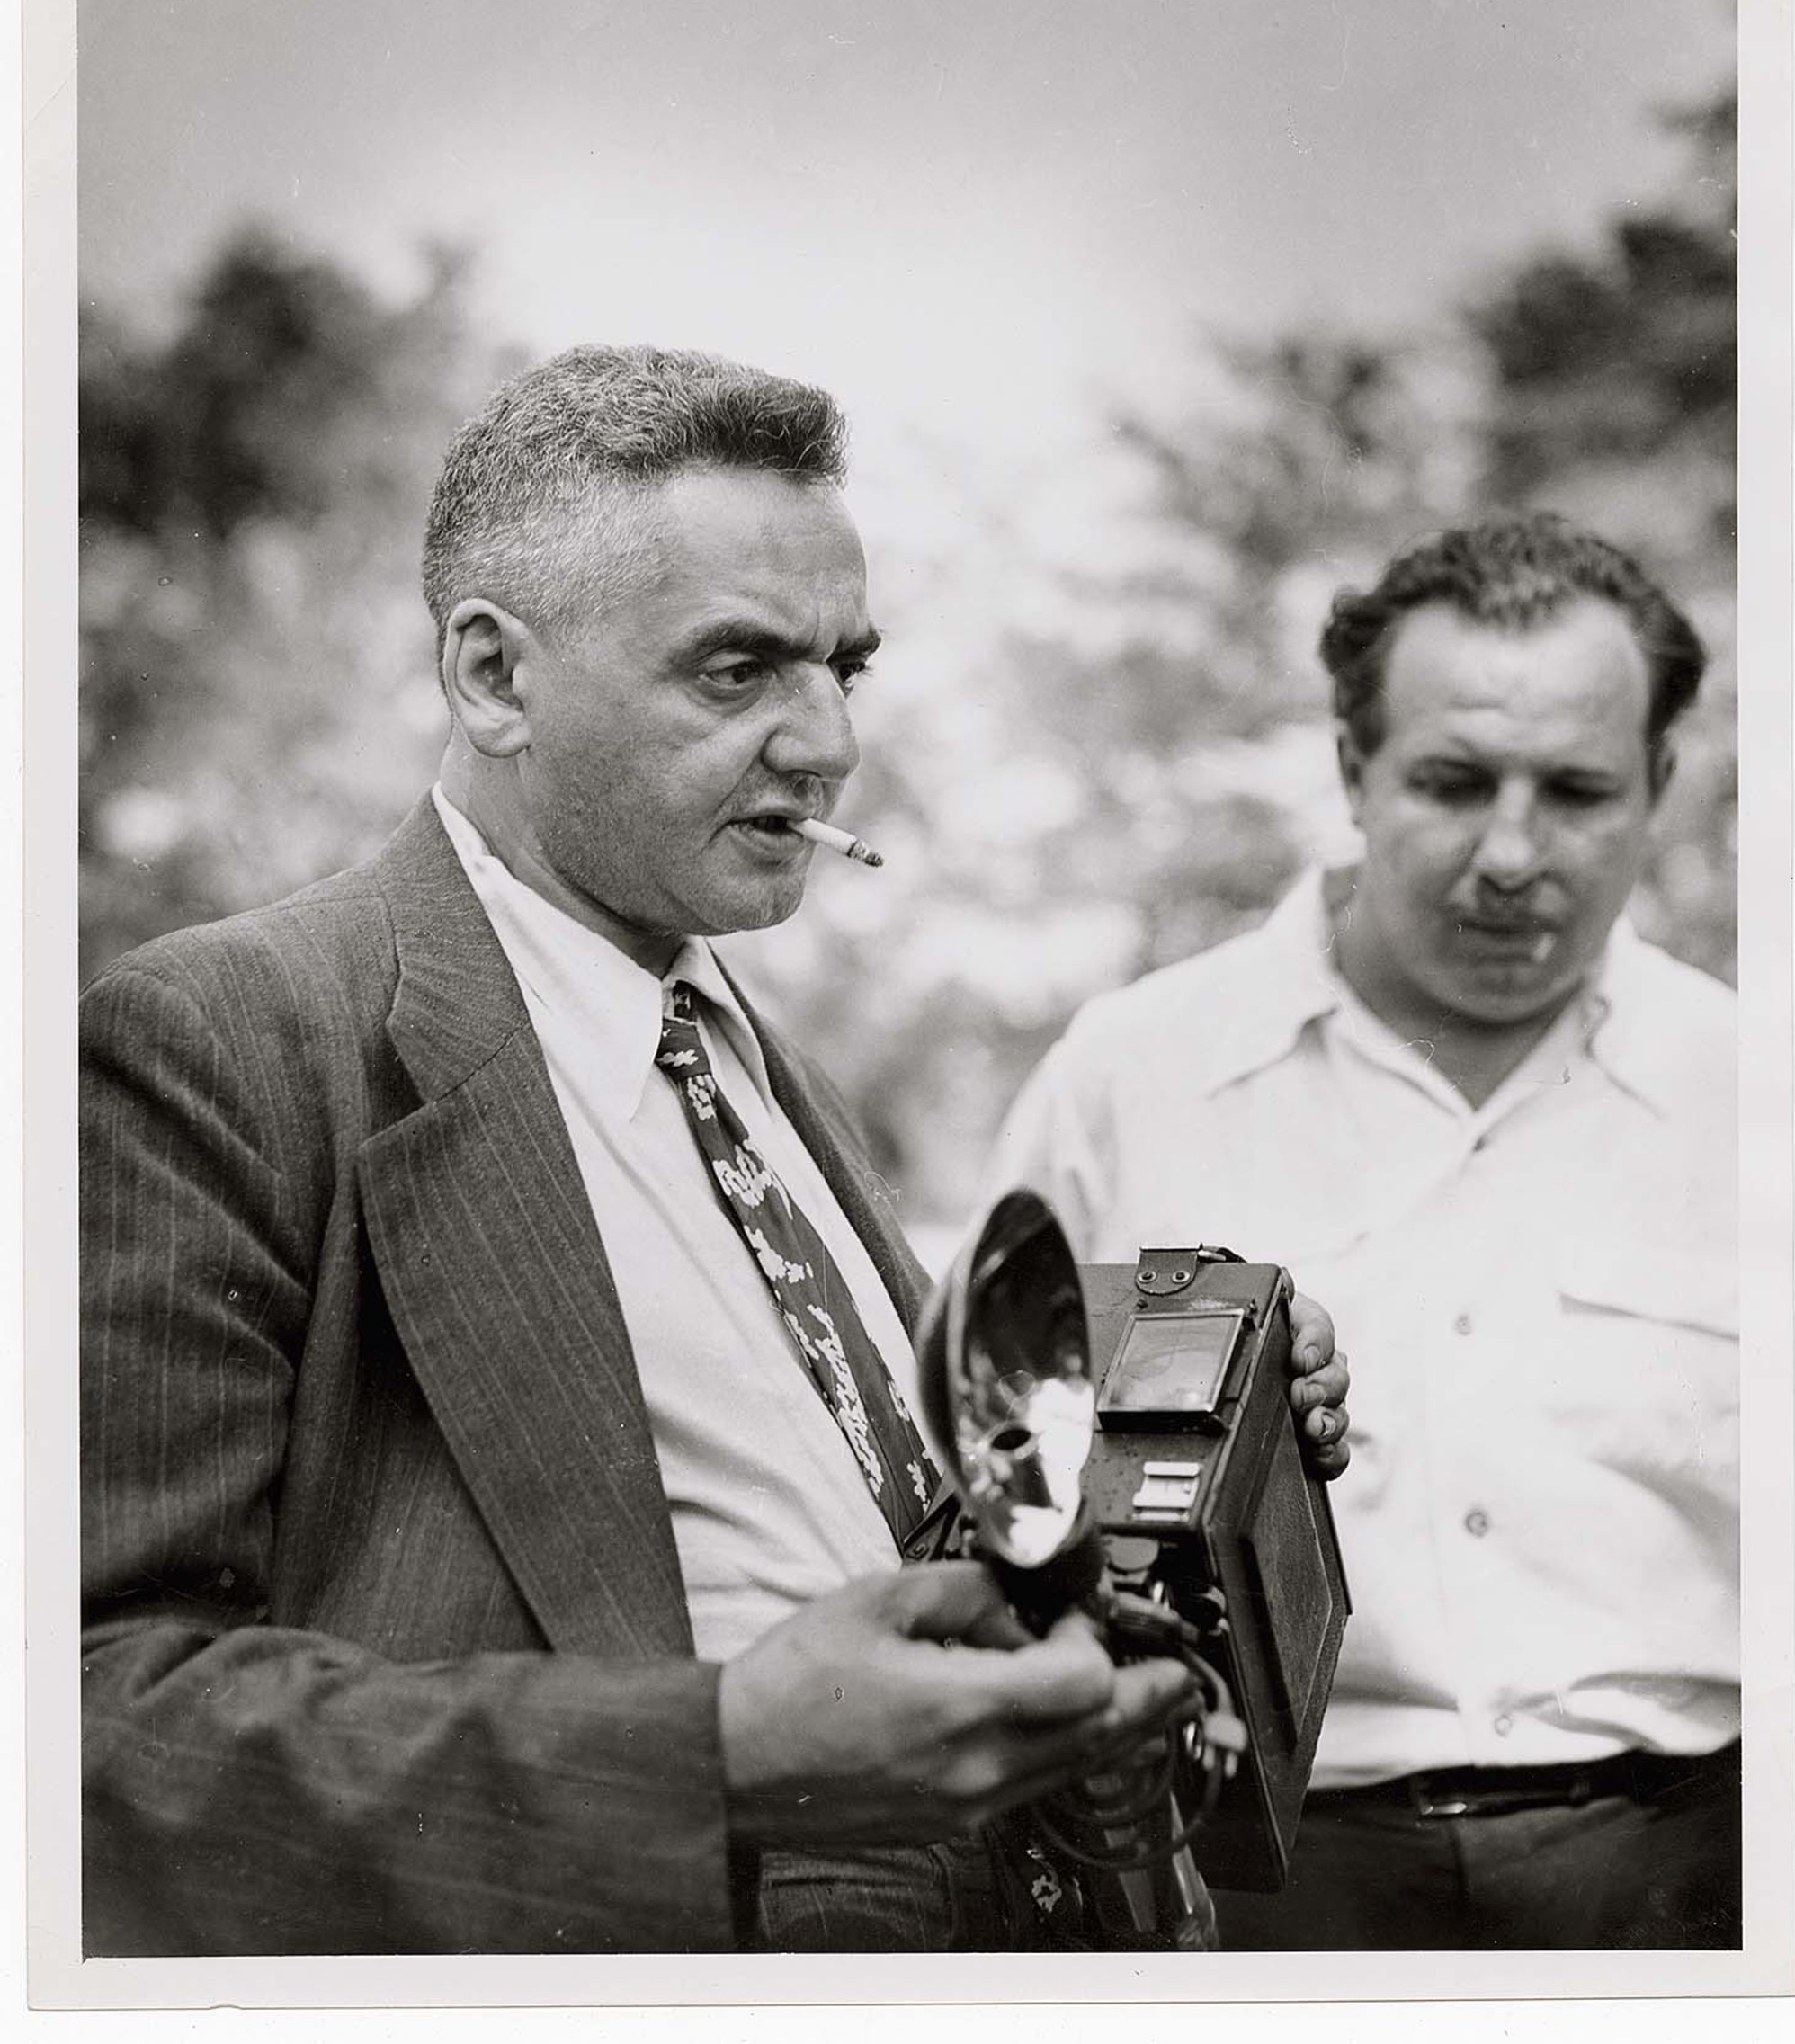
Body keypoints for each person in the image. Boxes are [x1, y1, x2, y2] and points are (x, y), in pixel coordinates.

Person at [79, 343, 1351, 1958]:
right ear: (492, 676)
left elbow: (846, 1498)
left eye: (845, 669)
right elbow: (92, 1707)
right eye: (736, 672)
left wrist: (1174, 1406)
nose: (826, 745)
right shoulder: (232, 1035)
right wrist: (725, 1756)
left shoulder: (739, 1049)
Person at [985, 513, 1738, 1951]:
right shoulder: (1129, 1071)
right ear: (1350, 773)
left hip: (1705, 1873)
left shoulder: (1768, 1093)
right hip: (1261, 1878)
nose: (1510, 855)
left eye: (1575, 792)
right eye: (1451, 783)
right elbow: (987, 1463)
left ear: (1656, 786)